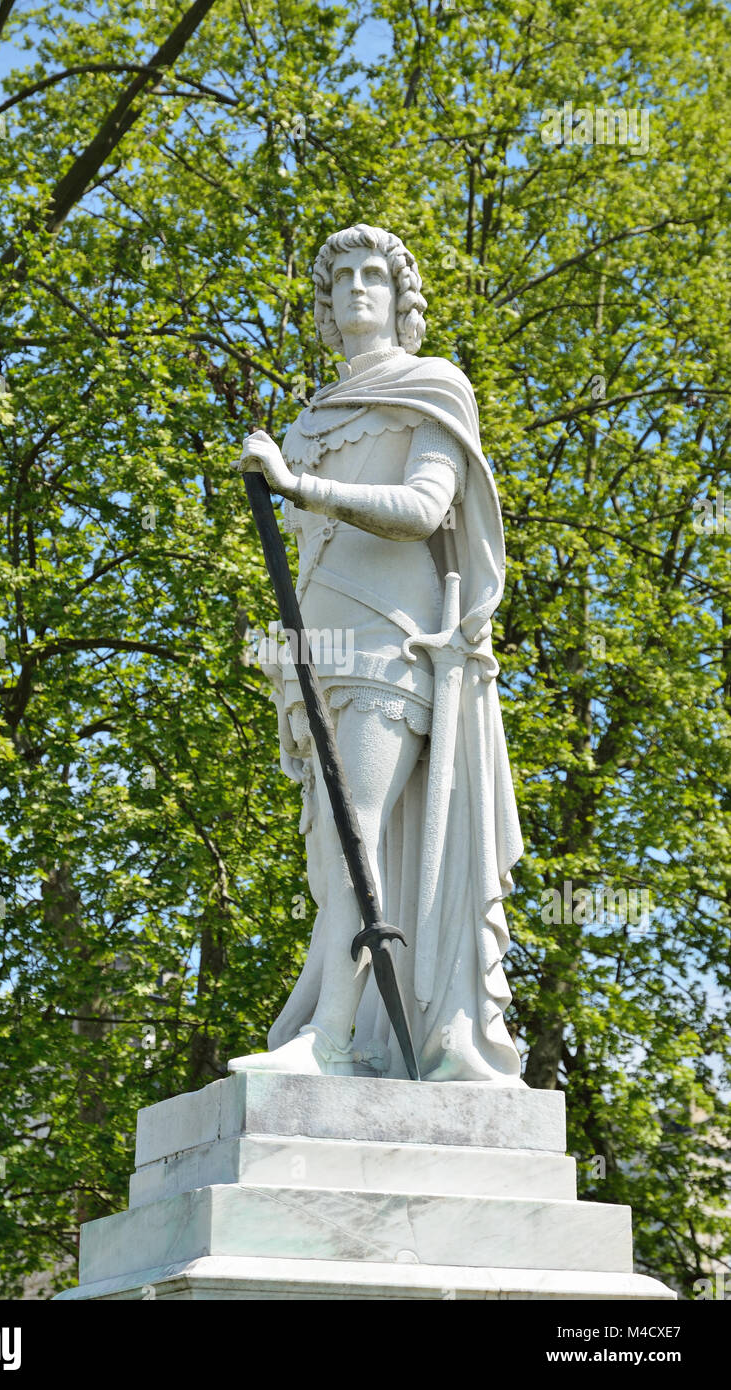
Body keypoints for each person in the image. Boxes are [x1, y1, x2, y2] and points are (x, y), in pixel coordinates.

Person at [230, 224, 524, 1084]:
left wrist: (296, 483)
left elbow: (425, 507)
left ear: (400, 297)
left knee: (358, 837)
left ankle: (325, 1042)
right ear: (325, 303)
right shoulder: (312, 415)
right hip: (314, 656)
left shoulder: (433, 388)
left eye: (375, 275)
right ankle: (354, 1041)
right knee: (335, 862)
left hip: (390, 645)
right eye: (342, 278)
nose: (358, 289)